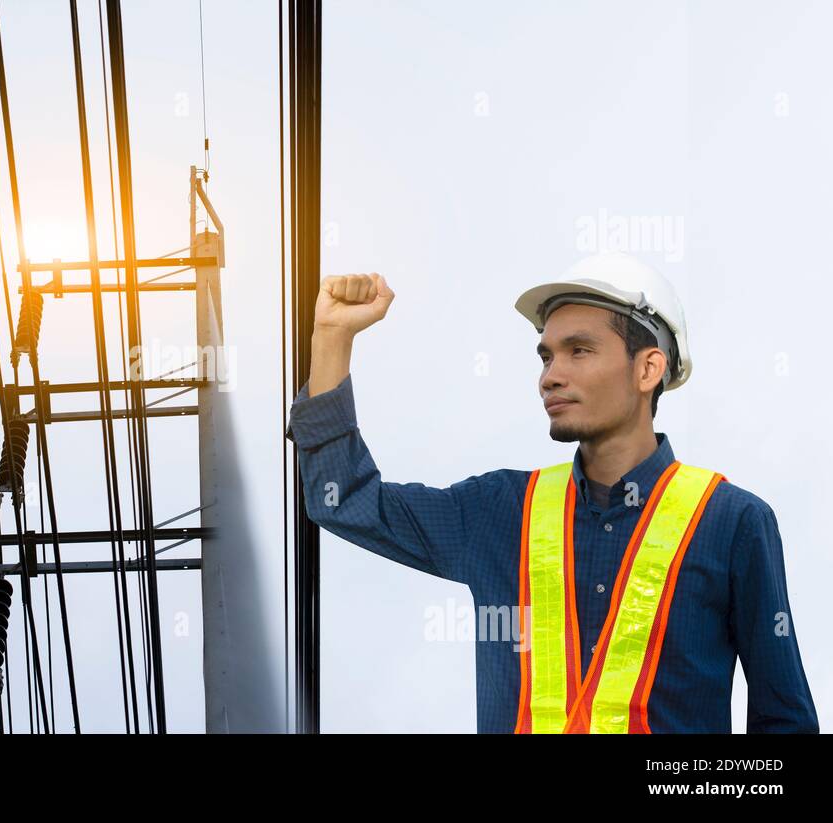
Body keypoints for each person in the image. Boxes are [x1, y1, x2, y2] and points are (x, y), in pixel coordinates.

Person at [284, 251, 818, 733]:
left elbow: (784, 721)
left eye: (579, 351)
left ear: (648, 368)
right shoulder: (499, 511)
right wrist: (332, 339)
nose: (550, 376)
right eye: (546, 357)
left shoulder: (732, 522)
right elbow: (344, 500)